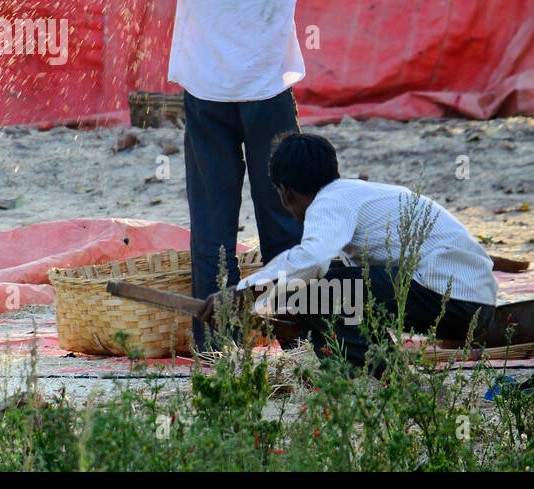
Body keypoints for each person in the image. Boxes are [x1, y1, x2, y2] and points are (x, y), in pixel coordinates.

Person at [81, 0, 320, 349]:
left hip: (209, 99)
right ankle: (299, 342)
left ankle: (219, 350)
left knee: (213, 224)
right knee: (285, 215)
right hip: (270, 97)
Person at [199, 132, 497, 371]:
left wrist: (243, 291)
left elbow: (311, 261)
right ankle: (384, 374)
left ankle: (382, 381)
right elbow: (335, 272)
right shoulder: (352, 194)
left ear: (285, 191)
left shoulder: (329, 202)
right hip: (470, 302)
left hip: (456, 302)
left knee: (312, 293)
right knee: (322, 289)